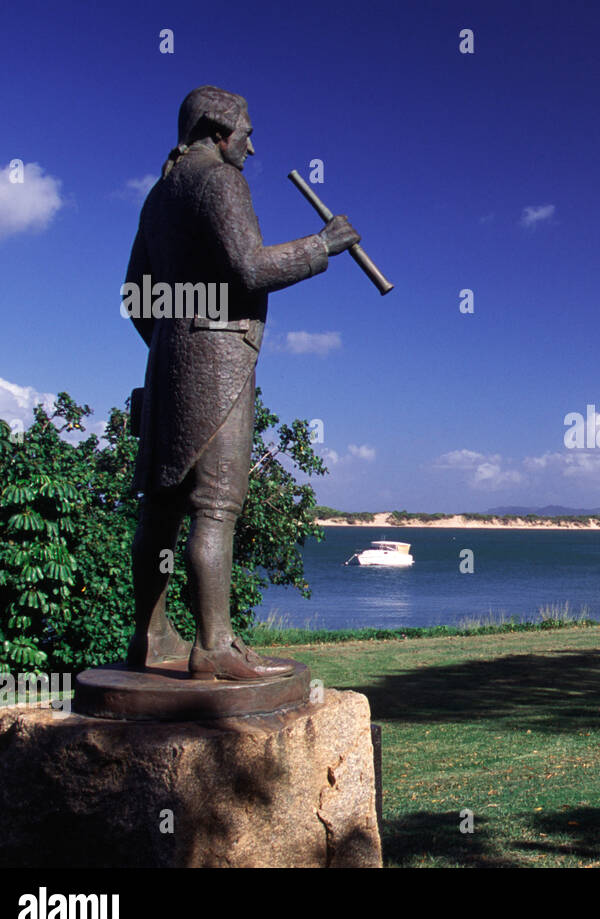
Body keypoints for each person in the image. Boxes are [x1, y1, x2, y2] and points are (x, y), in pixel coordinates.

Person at [124, 86, 359, 680]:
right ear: (218, 130)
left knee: (163, 509)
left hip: (169, 361)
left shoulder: (158, 196)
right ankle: (215, 646)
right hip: (219, 363)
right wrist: (321, 246)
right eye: (247, 132)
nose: (252, 147)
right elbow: (250, 266)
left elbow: (135, 297)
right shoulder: (220, 181)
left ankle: (150, 637)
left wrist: (174, 349)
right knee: (216, 507)